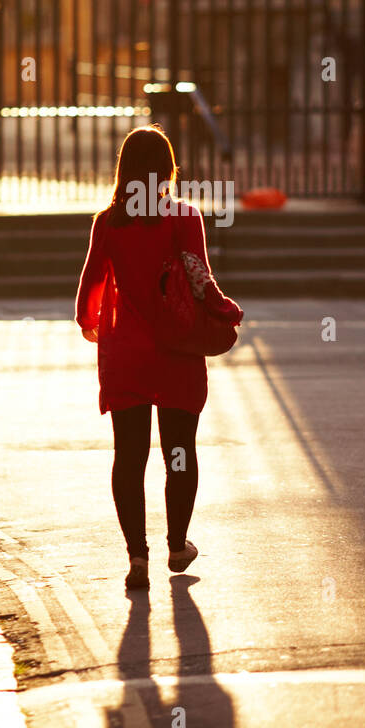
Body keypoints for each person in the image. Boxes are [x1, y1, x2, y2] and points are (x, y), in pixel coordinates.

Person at [75, 125, 242, 591]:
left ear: (124, 169)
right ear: (168, 168)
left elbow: (88, 294)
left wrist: (95, 325)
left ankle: (137, 557)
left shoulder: (107, 223)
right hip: (177, 352)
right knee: (179, 452)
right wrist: (227, 312)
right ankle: (176, 543)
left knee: (128, 457)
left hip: (127, 354)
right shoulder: (184, 216)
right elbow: (199, 278)